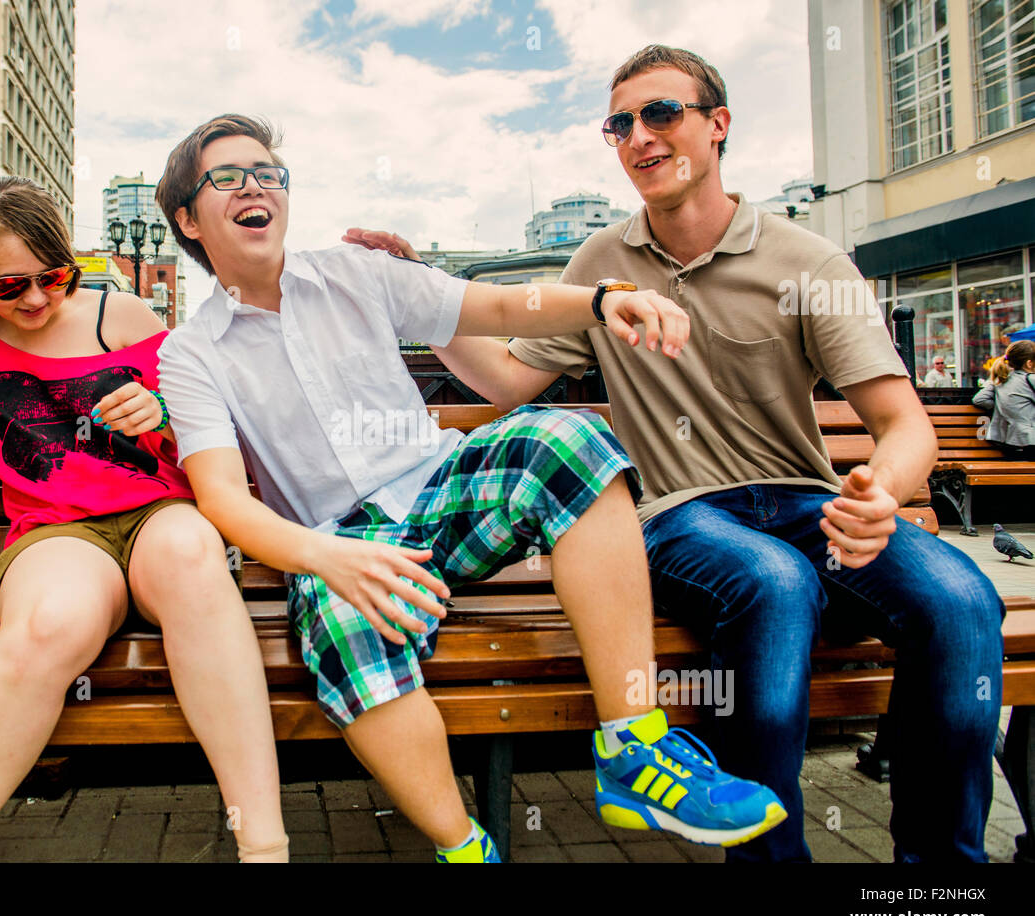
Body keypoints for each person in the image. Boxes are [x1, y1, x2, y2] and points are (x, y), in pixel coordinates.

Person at [350, 44, 1005, 862]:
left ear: (719, 125)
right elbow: (511, 378)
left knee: (962, 601)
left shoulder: (808, 263)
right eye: (620, 124)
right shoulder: (603, 266)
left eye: (662, 114)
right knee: (772, 583)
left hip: (807, 503)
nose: (639, 137)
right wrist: (411, 282)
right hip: (673, 517)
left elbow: (904, 423)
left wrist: (884, 490)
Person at [128, 113, 787, 864]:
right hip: (340, 539)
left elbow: (504, 309)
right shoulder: (190, 352)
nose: (257, 188)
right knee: (344, 627)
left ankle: (633, 751)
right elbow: (222, 499)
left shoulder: (356, 272)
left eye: (269, 173)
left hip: (442, 488)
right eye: (228, 178)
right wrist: (328, 559)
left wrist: (602, 301)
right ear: (187, 217)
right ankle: (467, 849)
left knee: (566, 439)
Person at [0, 176, 288, 862]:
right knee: (50, 622)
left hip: (158, 512)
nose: (34, 299)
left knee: (192, 561)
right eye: (9, 286)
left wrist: (164, 413)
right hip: (60, 536)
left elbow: (218, 425)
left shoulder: (126, 317)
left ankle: (265, 848)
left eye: (52, 278)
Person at [973, 340, 1035, 461]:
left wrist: (999, 405)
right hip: (1030, 440)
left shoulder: (1001, 379)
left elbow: (979, 399)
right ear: (1029, 363)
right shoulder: (1030, 379)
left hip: (1008, 442)